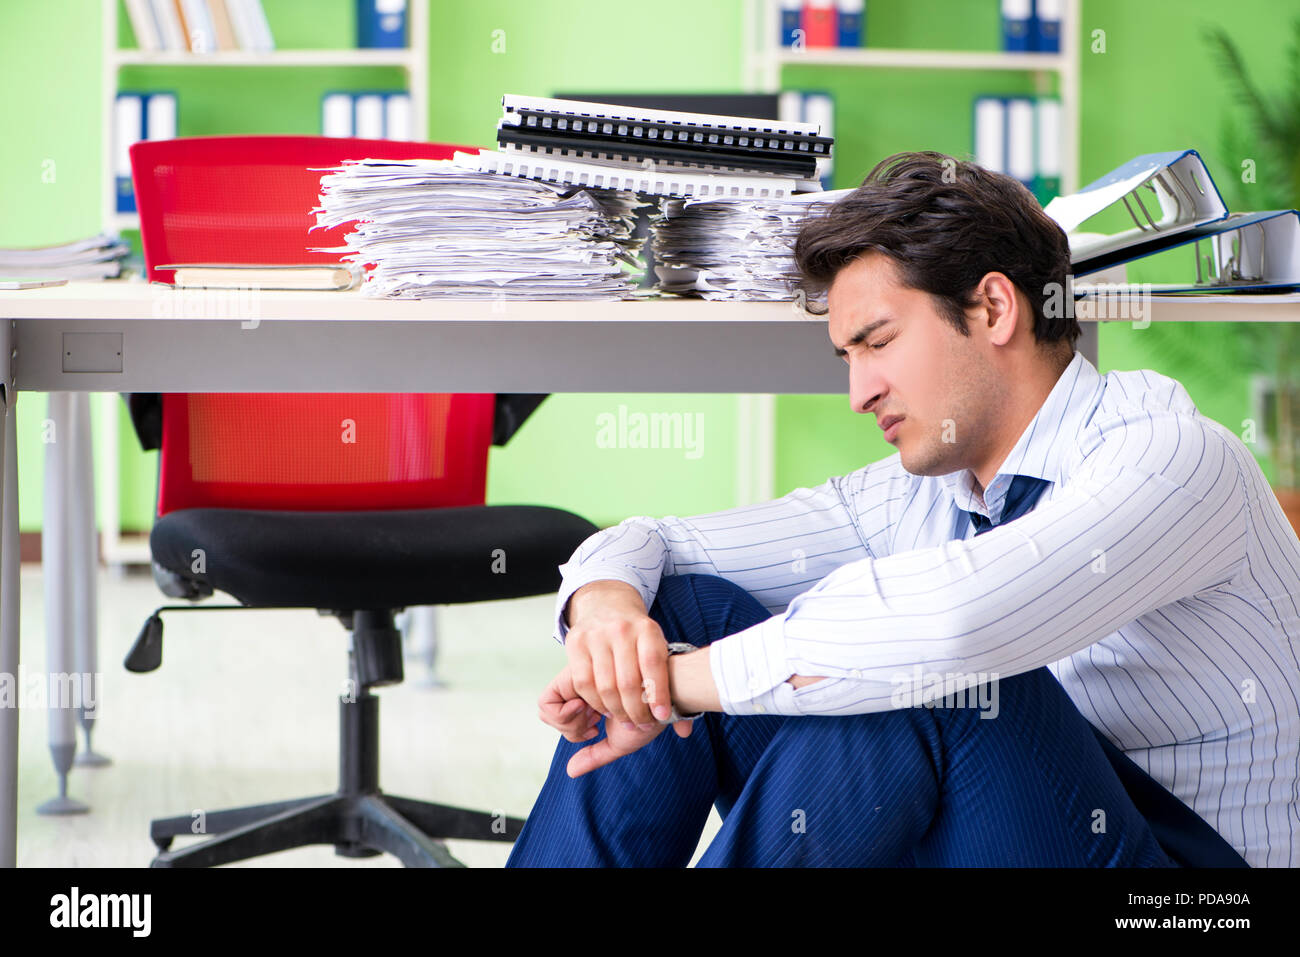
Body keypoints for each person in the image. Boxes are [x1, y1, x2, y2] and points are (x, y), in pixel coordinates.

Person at [506, 151, 1300, 867]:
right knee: (675, 606)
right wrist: (610, 620)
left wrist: (676, 684)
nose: (859, 394)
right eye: (848, 358)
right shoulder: (917, 490)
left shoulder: (1177, 458)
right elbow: (655, 545)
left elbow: (955, 627)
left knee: (927, 675)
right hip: (995, 828)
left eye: (879, 342)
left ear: (994, 309)